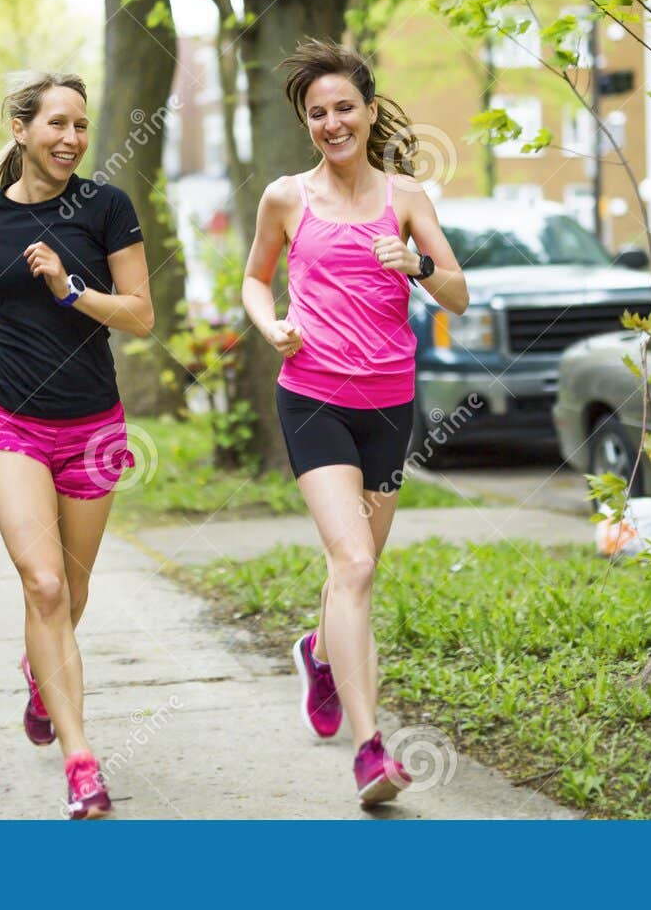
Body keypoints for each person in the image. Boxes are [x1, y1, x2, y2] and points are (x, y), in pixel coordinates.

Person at [241, 39, 469, 808]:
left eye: (344, 108)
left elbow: (460, 293)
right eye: (318, 113)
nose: (332, 122)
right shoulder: (285, 197)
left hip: (388, 406)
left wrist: (419, 267)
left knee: (356, 566)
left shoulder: (407, 198)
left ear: (369, 112)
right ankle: (371, 750)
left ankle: (318, 649)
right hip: (312, 398)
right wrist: (269, 323)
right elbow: (254, 276)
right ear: (306, 123)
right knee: (357, 565)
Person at [0, 72, 154, 820]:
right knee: (44, 586)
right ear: (21, 127)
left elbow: (140, 315)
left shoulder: (106, 208)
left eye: (81, 126)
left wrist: (72, 290)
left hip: (93, 424)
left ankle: (43, 673)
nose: (71, 138)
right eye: (57, 124)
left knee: (73, 586)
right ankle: (82, 762)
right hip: (11, 420)